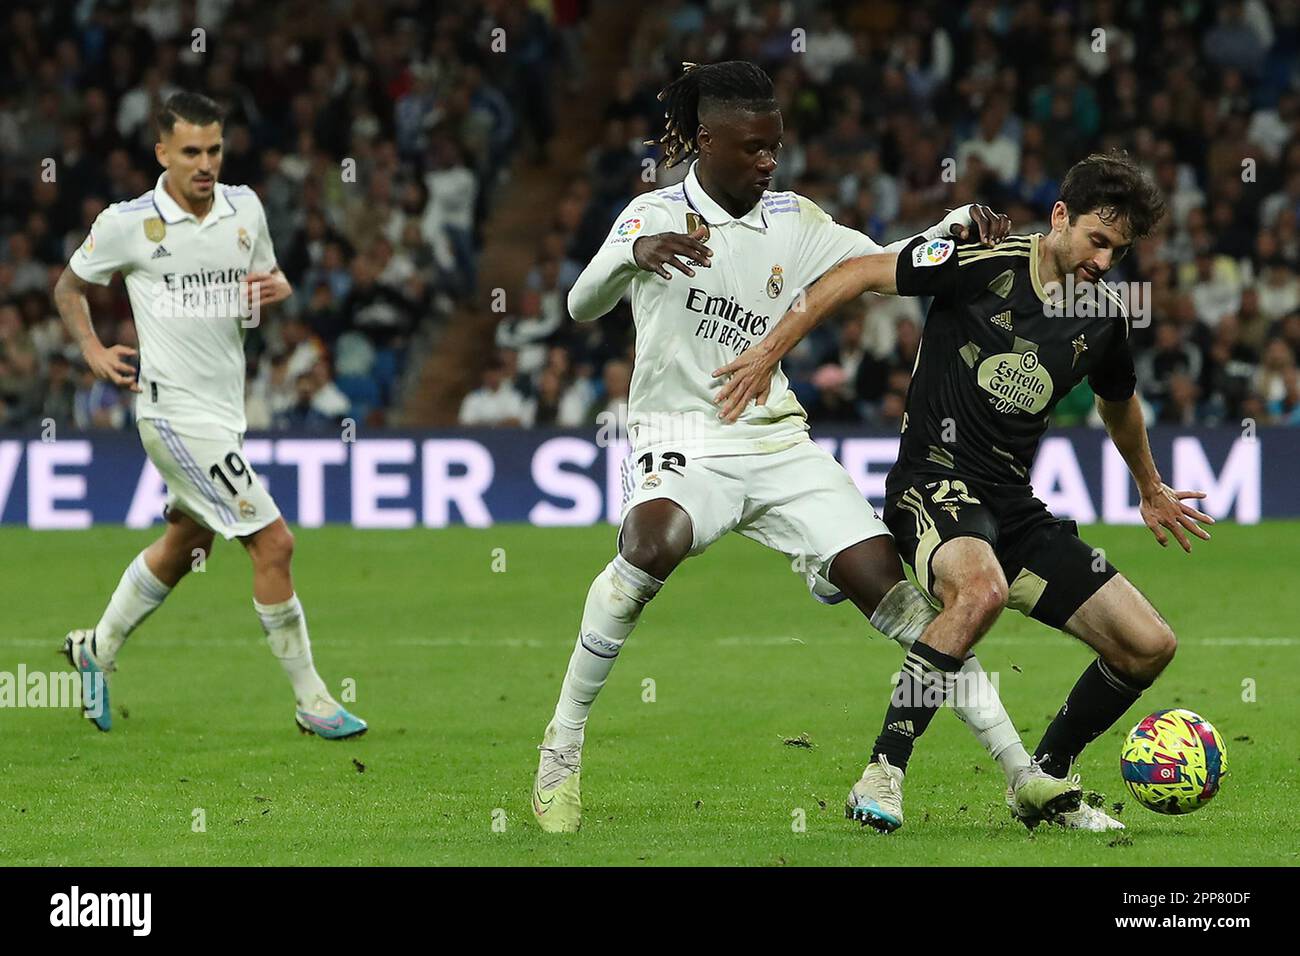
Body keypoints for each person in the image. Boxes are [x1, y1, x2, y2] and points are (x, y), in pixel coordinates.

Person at [532, 61, 1086, 835]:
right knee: (650, 547)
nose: (769, 162)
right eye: (754, 148)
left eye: (776, 147)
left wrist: (955, 224)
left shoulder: (796, 219)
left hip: (776, 441)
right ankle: (561, 746)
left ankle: (1020, 771)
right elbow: (578, 302)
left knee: (896, 597)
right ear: (704, 141)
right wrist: (637, 252)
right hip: (682, 438)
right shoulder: (649, 214)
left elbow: (884, 264)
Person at [715, 151, 1212, 831]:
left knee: (1148, 645)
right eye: (1097, 240)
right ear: (1060, 217)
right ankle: (883, 772)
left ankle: (1045, 778)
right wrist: (771, 354)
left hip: (1013, 509)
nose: (1103, 260)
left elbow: (1118, 401)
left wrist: (1149, 486)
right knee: (981, 593)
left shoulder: (1104, 318)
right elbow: (857, 274)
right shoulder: (980, 261)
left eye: (1118, 251)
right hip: (932, 484)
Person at [51, 92, 365, 739]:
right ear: (161, 151)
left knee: (184, 545)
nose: (205, 164)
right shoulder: (127, 223)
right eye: (190, 151)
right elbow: (68, 286)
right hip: (170, 415)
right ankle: (313, 701)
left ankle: (95, 650)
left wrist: (274, 291)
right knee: (274, 543)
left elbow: (261, 289)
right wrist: (90, 348)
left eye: (214, 149)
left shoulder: (244, 207)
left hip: (225, 413)